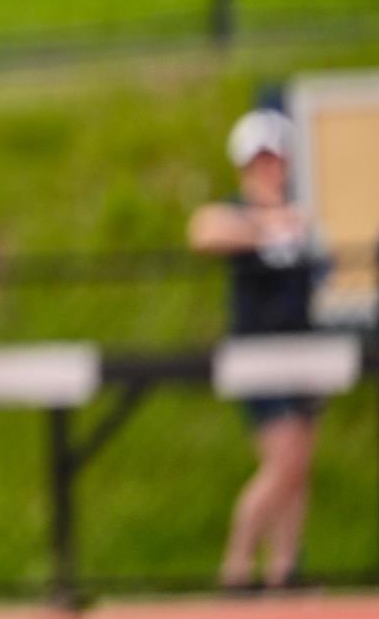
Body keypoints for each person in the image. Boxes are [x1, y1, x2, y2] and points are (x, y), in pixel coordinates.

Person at [188, 107, 322, 592]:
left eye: (276, 161)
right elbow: (204, 229)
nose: (269, 170)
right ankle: (238, 565)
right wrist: (268, 226)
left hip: (303, 354)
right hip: (260, 357)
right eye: (259, 162)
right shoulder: (240, 216)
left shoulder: (304, 217)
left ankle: (284, 569)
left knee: (299, 466)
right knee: (283, 460)